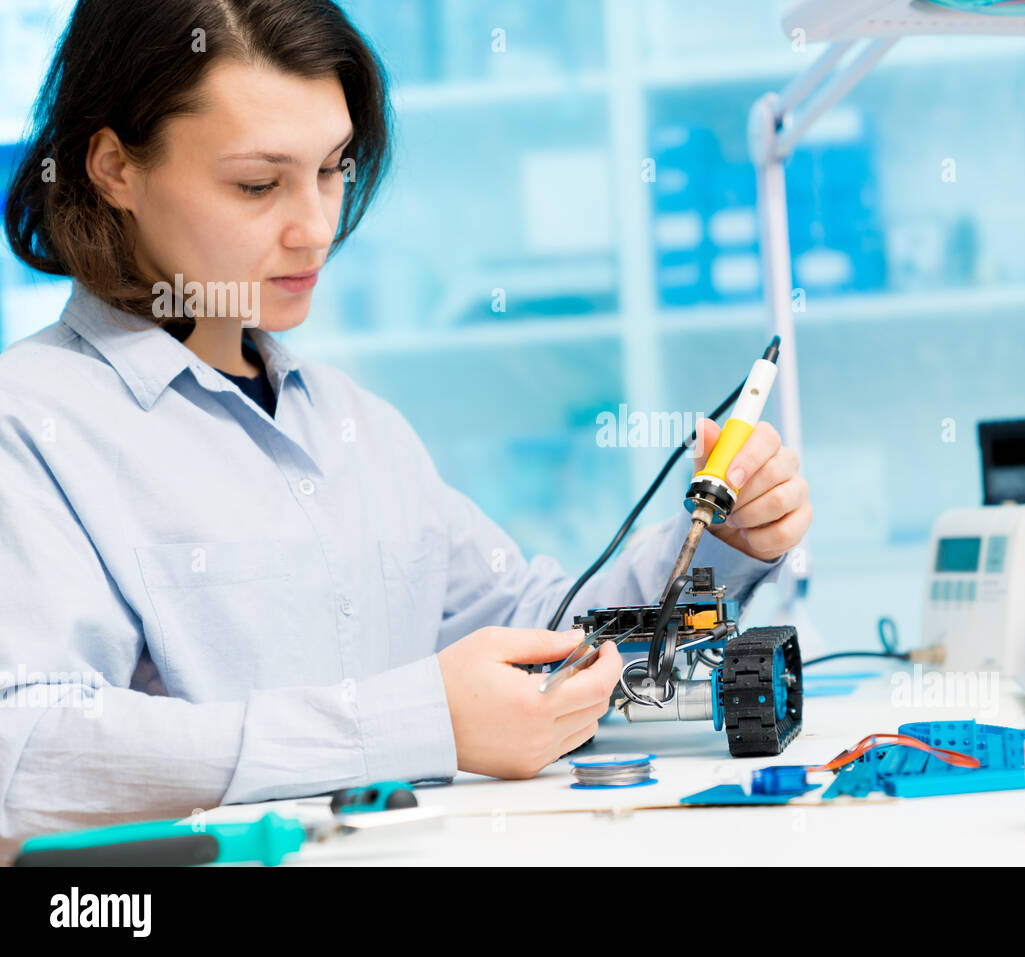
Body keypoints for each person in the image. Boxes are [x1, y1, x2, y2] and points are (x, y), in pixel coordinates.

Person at [0, 0, 812, 841]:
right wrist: (413, 722)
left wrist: (721, 538)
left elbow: (542, 634)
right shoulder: (31, 424)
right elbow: (25, 750)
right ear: (112, 168)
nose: (316, 227)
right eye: (257, 183)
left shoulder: (354, 426)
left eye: (331, 169)